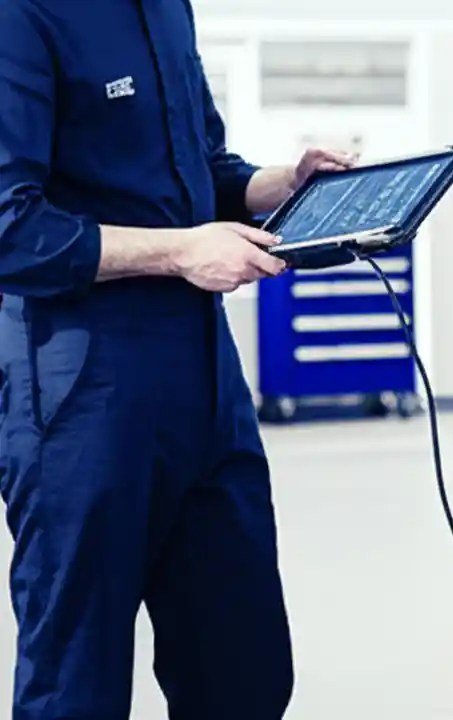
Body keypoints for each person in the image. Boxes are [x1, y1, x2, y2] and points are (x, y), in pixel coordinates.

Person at [0, 1, 354, 717]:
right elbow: (11, 227)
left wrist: (283, 183)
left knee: (242, 668)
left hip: (205, 378)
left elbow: (203, 173)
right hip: (81, 391)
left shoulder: (167, 8)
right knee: (79, 682)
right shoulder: (24, 14)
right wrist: (180, 251)